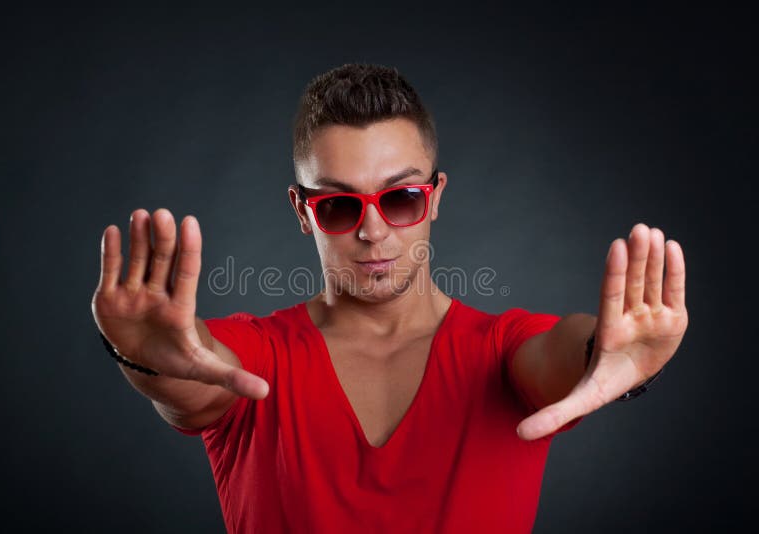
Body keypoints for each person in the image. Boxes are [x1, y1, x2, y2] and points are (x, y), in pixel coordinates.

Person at [91, 63, 689, 533]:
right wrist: (147, 358)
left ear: (435, 196)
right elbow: (196, 373)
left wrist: (609, 356)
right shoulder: (260, 356)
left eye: (399, 197)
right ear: (303, 212)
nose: (373, 231)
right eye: (339, 204)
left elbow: (562, 355)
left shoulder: (503, 349)